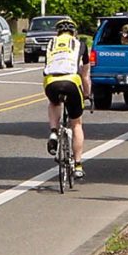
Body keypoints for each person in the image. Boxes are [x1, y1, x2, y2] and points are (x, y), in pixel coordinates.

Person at [43, 18, 91, 179]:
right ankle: (77, 165)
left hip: (51, 82)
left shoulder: (51, 44)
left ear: (58, 32)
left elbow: (46, 67)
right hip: (71, 81)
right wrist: (86, 94)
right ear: (74, 32)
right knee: (76, 123)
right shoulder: (81, 45)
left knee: (54, 102)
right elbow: (85, 75)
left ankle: (53, 132)